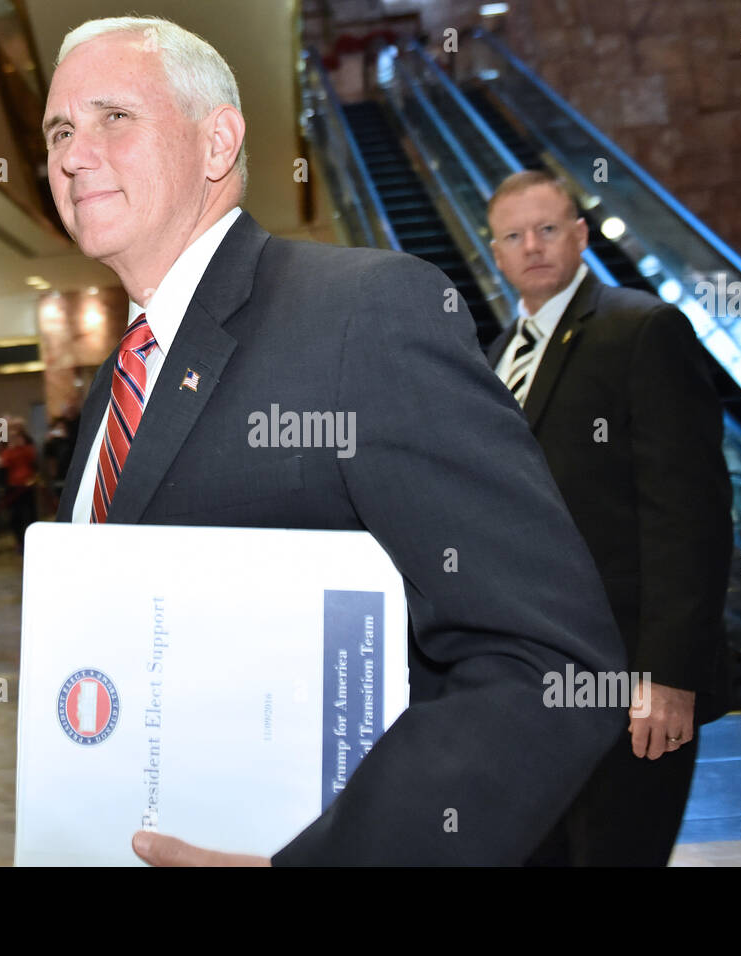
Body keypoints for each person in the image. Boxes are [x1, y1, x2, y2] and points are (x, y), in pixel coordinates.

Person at [43, 16, 624, 866]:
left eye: (113, 117)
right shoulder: (118, 383)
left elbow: (548, 664)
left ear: (219, 141)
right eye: (58, 129)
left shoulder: (368, 314)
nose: (72, 153)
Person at [484, 170, 733, 865]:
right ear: (496, 254)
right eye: (513, 235)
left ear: (582, 236)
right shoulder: (494, 357)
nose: (531, 246)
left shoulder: (642, 329)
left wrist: (669, 675)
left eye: (548, 228)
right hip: (526, 691)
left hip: (628, 690)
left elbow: (689, 518)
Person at [0, 427, 39, 553]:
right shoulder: (7, 452)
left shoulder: (27, 449)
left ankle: (33, 540)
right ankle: (19, 542)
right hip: (13, 487)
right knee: (16, 517)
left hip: (27, 485)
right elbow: (4, 465)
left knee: (30, 514)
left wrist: (22, 448)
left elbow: (33, 461)